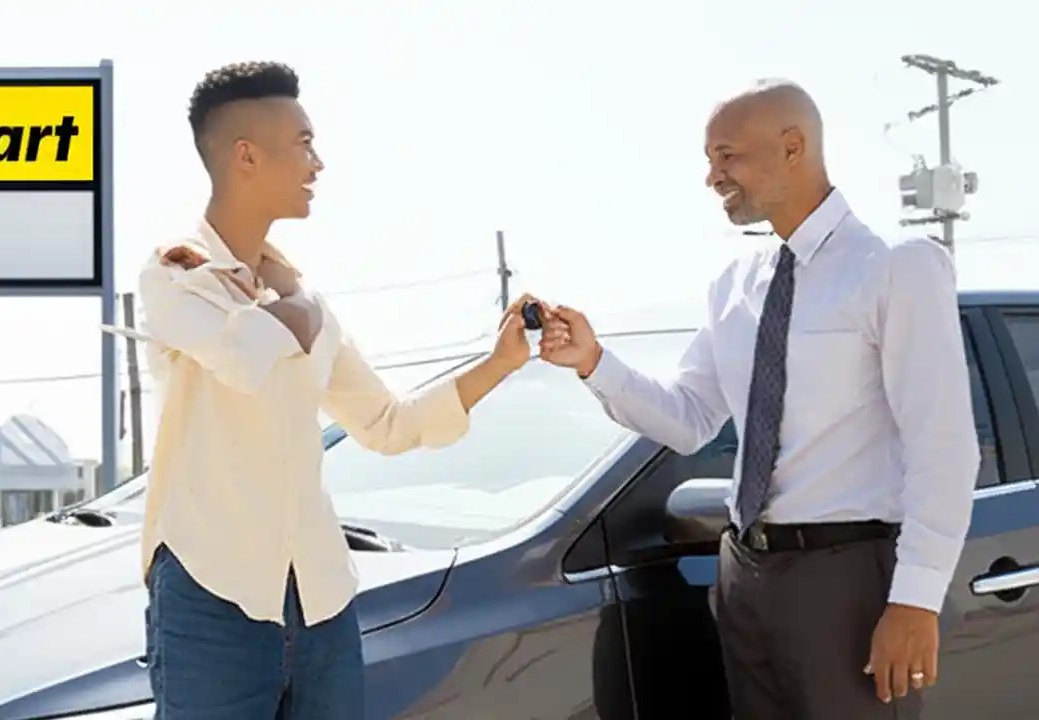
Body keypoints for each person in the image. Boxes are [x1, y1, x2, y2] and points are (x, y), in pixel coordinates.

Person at [536, 79, 979, 719]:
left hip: (846, 579)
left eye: (726, 156)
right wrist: (594, 363)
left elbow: (943, 448)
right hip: (743, 577)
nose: (712, 176)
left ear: (792, 147)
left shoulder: (895, 268)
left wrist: (915, 599)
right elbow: (689, 420)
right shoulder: (735, 285)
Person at [137, 61, 533, 720]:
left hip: (321, 600)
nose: (317, 163)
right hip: (211, 594)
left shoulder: (303, 296)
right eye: (303, 143)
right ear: (246, 156)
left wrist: (498, 364)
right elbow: (241, 359)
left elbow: (387, 422)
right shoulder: (176, 276)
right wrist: (294, 306)